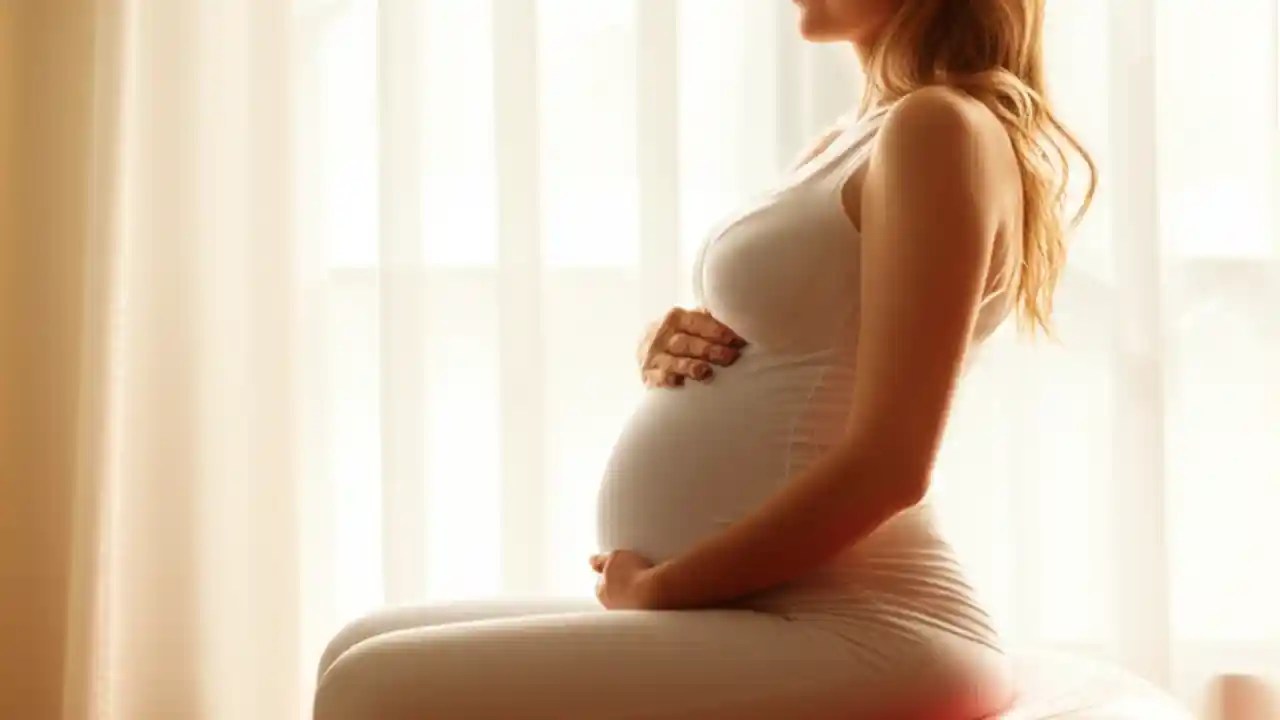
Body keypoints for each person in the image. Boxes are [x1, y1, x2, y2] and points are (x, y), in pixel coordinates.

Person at [313, 0, 1095, 717]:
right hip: (764, 604)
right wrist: (673, 339)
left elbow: (892, 463)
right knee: (353, 647)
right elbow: (812, 339)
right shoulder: (859, 134)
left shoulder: (939, 128)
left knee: (369, 686)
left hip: (865, 624)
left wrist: (663, 588)